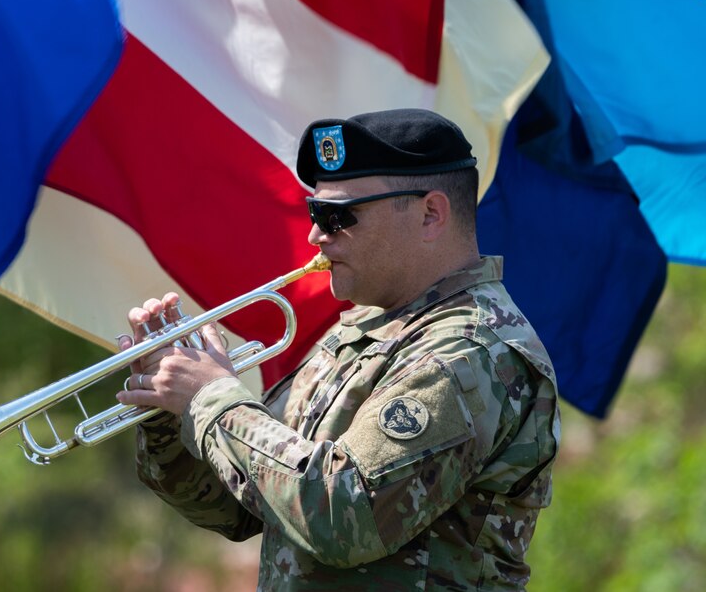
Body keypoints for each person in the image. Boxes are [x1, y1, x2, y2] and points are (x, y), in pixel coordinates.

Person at [115, 109, 560, 590]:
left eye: (338, 216)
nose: (316, 235)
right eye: (314, 212)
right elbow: (235, 507)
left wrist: (211, 398)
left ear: (431, 213)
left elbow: (343, 516)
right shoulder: (362, 332)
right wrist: (167, 404)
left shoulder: (468, 349)